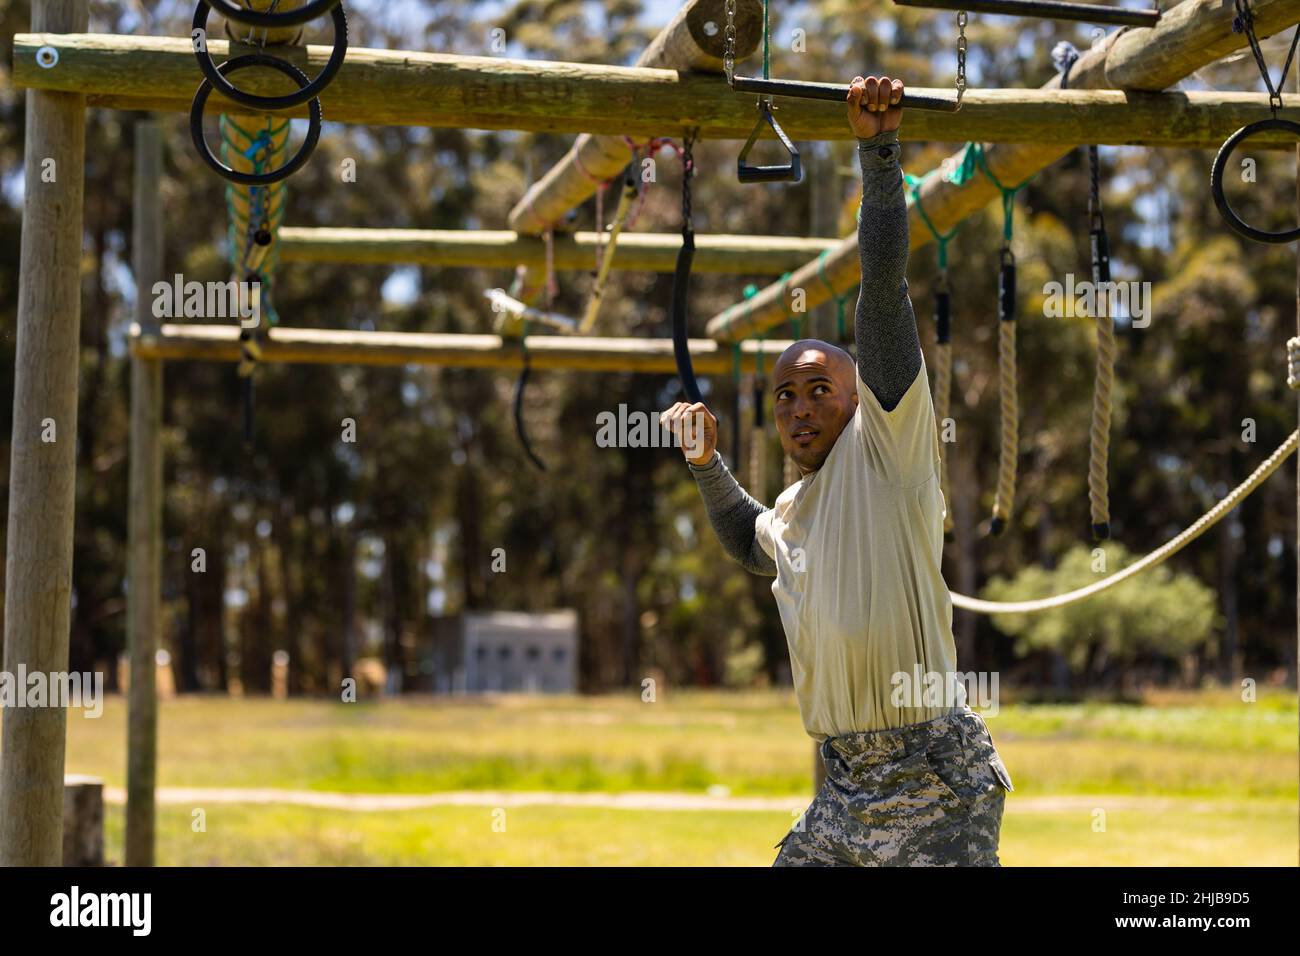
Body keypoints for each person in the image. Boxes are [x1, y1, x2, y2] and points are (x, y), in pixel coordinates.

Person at [661, 76, 1013, 866]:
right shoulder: (792, 509)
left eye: (821, 388)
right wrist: (706, 461)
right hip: (844, 787)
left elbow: (882, 288)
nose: (800, 406)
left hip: (932, 777)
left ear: (861, 398)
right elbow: (749, 541)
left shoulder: (886, 445)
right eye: (785, 395)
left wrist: (879, 155)